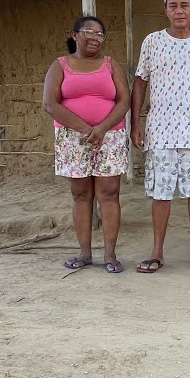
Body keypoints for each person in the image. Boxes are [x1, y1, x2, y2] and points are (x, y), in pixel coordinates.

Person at [130, 0, 190, 274]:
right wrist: (135, 122)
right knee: (162, 192)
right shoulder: (152, 42)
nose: (179, 10)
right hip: (160, 129)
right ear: (166, 11)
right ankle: (156, 252)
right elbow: (141, 81)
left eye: (184, 5)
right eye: (173, 5)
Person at [41, 15, 131, 273]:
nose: (95, 38)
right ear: (75, 35)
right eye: (89, 32)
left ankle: (110, 255)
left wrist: (101, 128)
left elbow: (124, 101)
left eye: (100, 34)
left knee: (109, 194)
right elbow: (50, 103)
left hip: (110, 135)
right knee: (81, 195)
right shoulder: (60, 65)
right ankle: (84, 253)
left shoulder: (111, 65)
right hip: (72, 138)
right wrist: (85, 129)